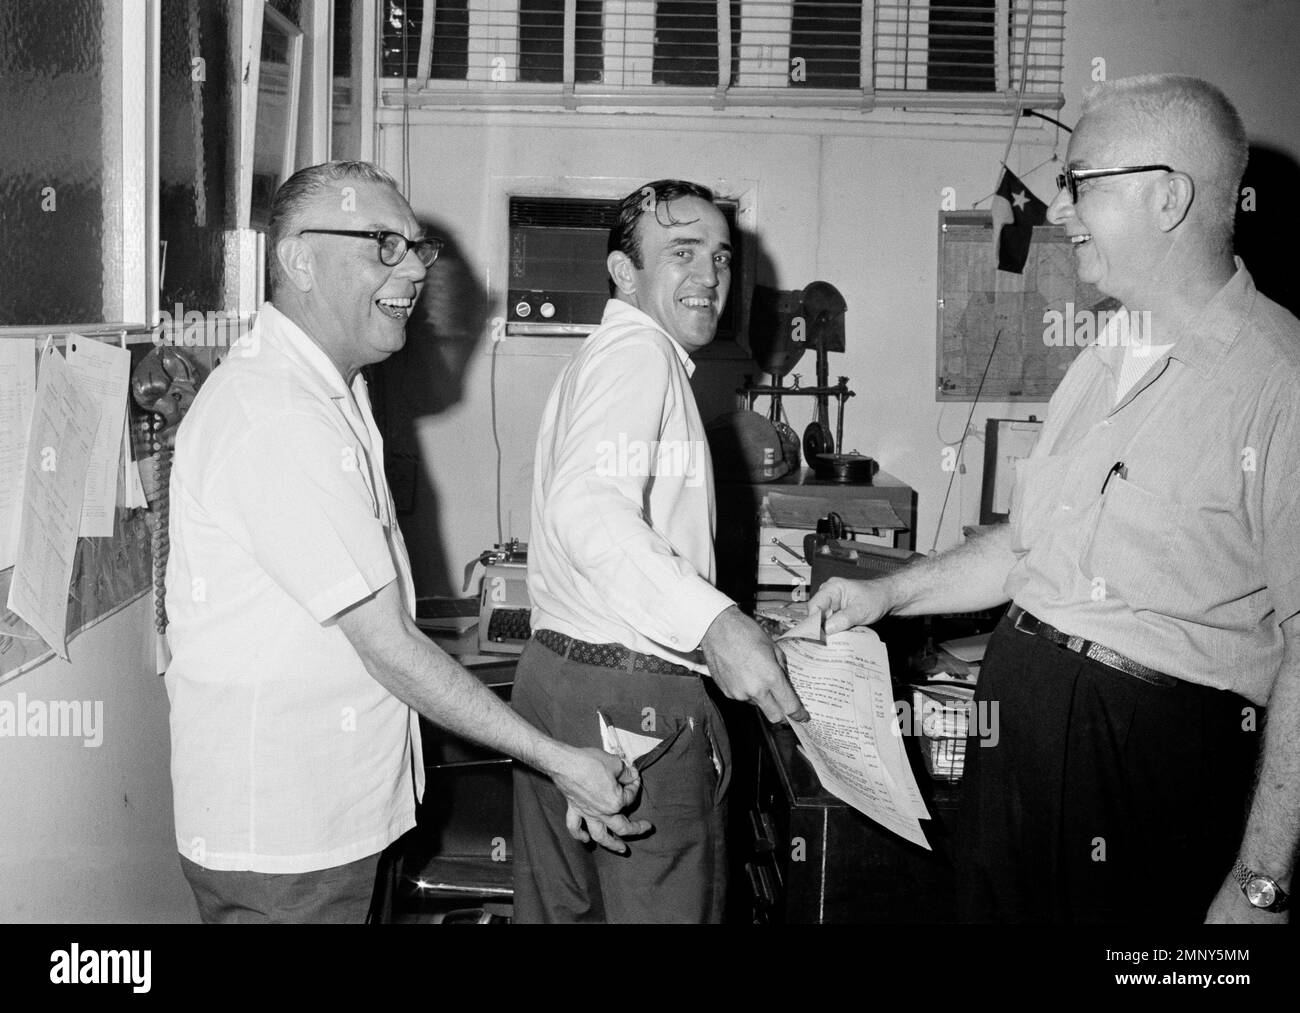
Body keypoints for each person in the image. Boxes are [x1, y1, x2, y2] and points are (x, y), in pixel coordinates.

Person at [811, 75, 1300, 924]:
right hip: (1025, 747)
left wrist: (1261, 882)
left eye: (1080, 182)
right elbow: (1026, 543)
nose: (1059, 208)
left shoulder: (1278, 377)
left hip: (1149, 768)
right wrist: (889, 592)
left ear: (1168, 196)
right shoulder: (1106, 352)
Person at [165, 161, 644, 923]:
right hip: (290, 840)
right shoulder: (276, 413)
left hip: (341, 817)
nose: (416, 268)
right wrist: (561, 762)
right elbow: (386, 644)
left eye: (418, 247)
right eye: (384, 244)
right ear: (297, 260)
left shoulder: (334, 389)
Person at [511, 179, 809, 923]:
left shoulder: (603, 357)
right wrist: (713, 622)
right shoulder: (640, 356)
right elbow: (586, 506)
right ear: (624, 272)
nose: (709, 275)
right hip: (636, 696)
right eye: (682, 252)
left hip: (557, 683)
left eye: (720, 255)